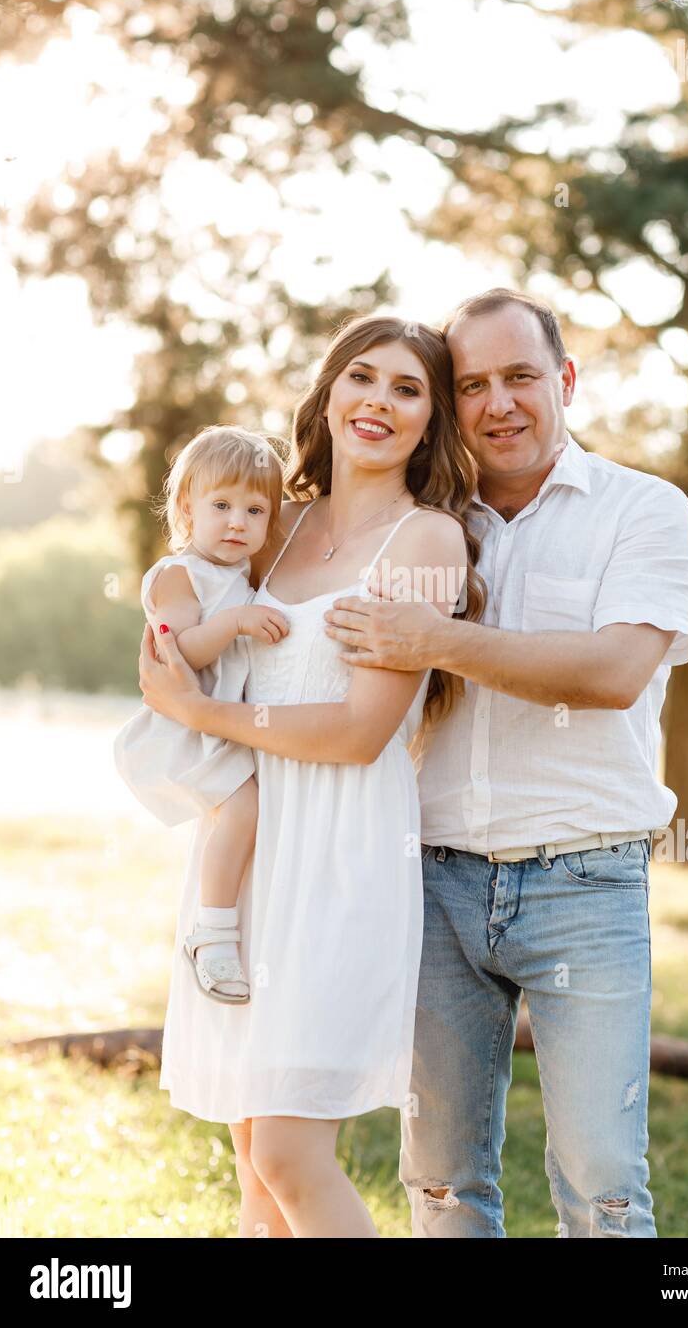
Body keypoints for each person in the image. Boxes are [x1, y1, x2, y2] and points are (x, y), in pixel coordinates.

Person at [323, 287, 688, 1237]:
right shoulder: (419, 524)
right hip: (434, 877)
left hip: (587, 880)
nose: (498, 403)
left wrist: (433, 639)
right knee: (444, 1182)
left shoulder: (645, 511)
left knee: (604, 1185)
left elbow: (615, 671)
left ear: (565, 380)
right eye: (474, 384)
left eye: (521, 377)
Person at [137, 315, 486, 1238]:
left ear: (431, 419)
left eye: (407, 389)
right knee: (253, 1159)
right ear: (328, 393)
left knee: (291, 1154)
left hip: (340, 855)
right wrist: (165, 650)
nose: (378, 401)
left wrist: (203, 714)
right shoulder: (272, 527)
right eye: (361, 378)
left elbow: (361, 732)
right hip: (246, 853)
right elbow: (178, 617)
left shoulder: (427, 543)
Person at [113, 424, 286, 1002]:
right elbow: (178, 652)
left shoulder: (239, 574)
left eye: (255, 509)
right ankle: (212, 933)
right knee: (243, 809)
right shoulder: (178, 574)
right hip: (186, 727)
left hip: (222, 721)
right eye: (221, 505)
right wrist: (235, 624)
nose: (238, 521)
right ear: (187, 506)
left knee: (243, 816)